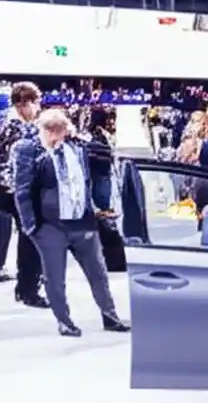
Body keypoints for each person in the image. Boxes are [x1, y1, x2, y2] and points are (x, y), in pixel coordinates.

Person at [11, 109, 130, 337]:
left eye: (60, 130)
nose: (56, 136)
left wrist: (99, 209)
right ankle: (64, 321)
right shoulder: (29, 151)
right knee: (55, 278)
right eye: (51, 131)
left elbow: (96, 174)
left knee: (98, 273)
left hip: (82, 223)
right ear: (43, 130)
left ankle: (111, 317)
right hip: (50, 227)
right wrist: (31, 227)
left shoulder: (79, 147)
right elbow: (23, 190)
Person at [0, 81, 48, 307]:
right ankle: (28, 290)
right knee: (33, 236)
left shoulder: (8, 124)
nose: (28, 108)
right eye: (24, 104)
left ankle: (26, 288)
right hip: (15, 189)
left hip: (12, 187)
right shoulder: (20, 128)